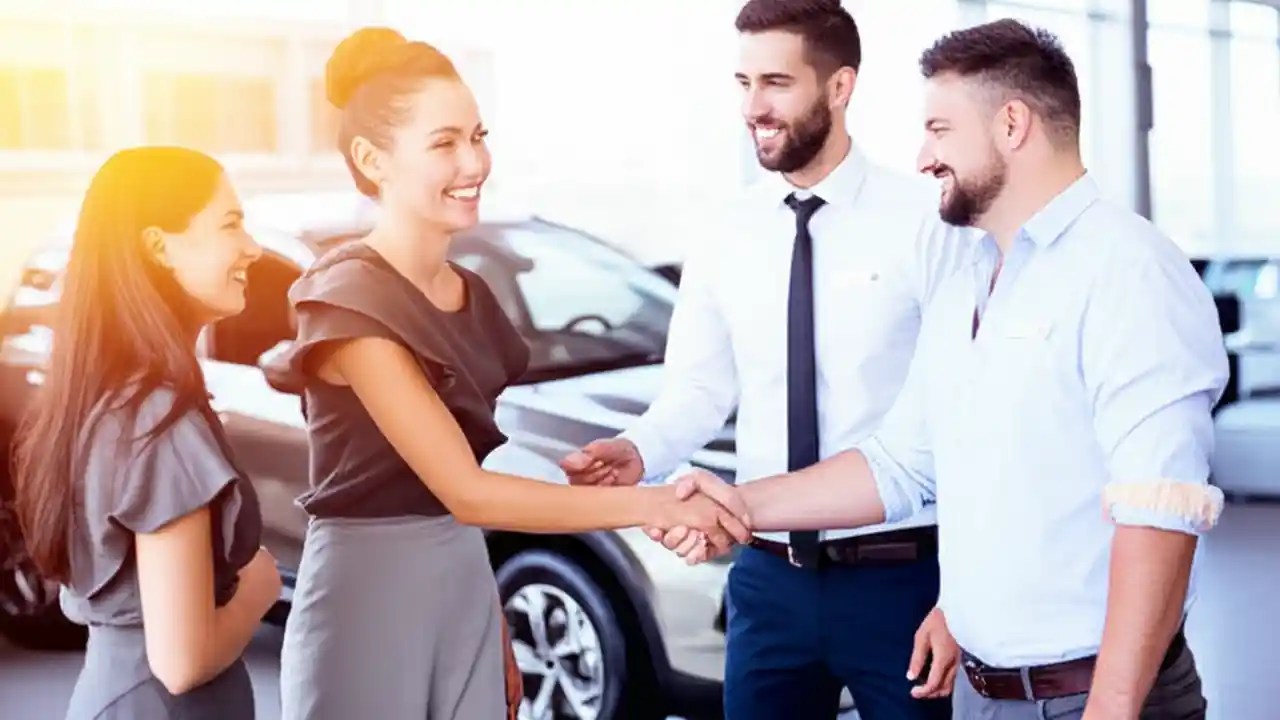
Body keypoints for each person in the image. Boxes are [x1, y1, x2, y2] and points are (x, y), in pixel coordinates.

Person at [666, 18, 1225, 720]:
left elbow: (1159, 516)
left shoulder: (1129, 272)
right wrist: (739, 504)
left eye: (940, 129)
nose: (924, 156)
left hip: (1094, 698)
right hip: (985, 695)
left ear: (1012, 125)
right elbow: (901, 465)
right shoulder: (968, 276)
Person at [270, 27, 752, 720]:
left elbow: (464, 511)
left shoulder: (472, 294)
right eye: (444, 143)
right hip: (368, 596)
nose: (474, 161)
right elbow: (467, 490)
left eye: (478, 135)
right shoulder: (350, 297)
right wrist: (654, 503)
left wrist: (491, 615)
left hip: (464, 579)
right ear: (374, 160)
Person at [560, 1, 972, 717]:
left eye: (776, 82)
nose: (754, 107)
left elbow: (961, 424)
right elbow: (697, 388)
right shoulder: (725, 230)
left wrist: (962, 593)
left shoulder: (928, 224)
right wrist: (637, 449)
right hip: (766, 578)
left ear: (840, 88)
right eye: (743, 83)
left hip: (902, 576)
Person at [11, 146, 282, 719]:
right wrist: (260, 585)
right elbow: (182, 661)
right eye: (230, 224)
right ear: (159, 246)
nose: (253, 248)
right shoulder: (156, 419)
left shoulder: (115, 398)